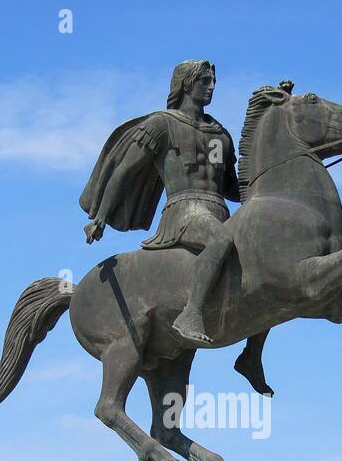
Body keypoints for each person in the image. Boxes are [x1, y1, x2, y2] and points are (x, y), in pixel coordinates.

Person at [80, 59, 274, 394]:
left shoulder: (220, 134)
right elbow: (125, 171)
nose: (212, 87)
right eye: (205, 80)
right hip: (184, 211)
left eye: (214, 80)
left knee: (268, 266)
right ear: (186, 83)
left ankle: (252, 355)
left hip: (219, 211)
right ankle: (190, 315)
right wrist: (100, 215)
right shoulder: (162, 124)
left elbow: (231, 187)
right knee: (222, 241)